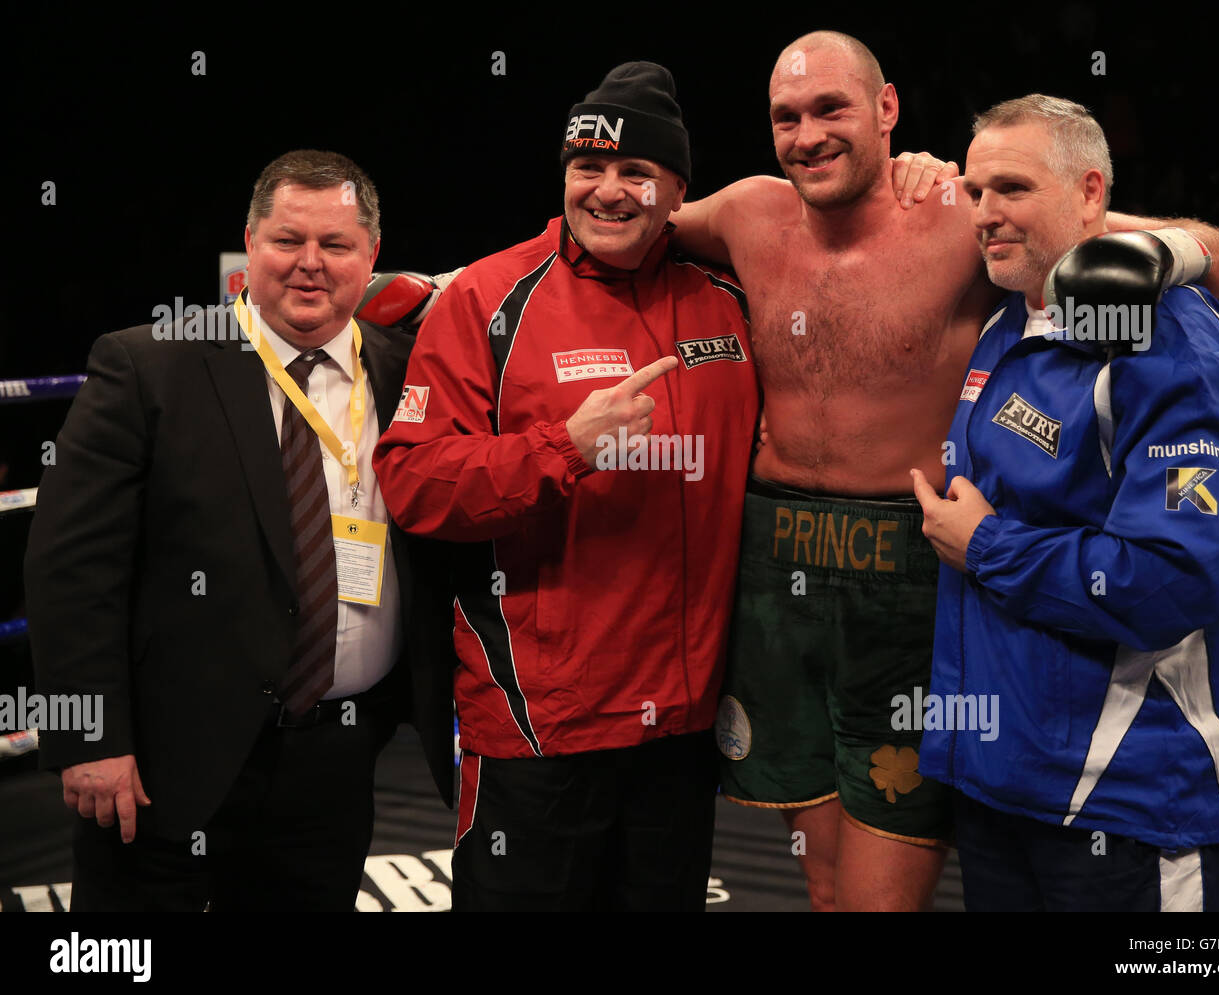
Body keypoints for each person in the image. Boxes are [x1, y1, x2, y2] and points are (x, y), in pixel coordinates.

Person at [669, 30, 1219, 910]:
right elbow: (626, 226)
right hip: (778, 564)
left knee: (881, 886)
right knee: (826, 884)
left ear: (887, 110)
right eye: (787, 115)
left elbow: (1216, 255)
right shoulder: (750, 210)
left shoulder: (961, 217)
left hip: (916, 563)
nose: (808, 132)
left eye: (832, 108)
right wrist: (449, 286)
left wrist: (1144, 256)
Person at [23, 150, 456, 910]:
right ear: (250, 245)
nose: (310, 265)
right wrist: (92, 741)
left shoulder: (408, 370)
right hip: (164, 763)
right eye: (288, 241)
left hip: (337, 758)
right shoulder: (149, 365)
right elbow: (71, 571)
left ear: (372, 256)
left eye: (336, 245)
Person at [373, 61, 759, 911]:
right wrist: (563, 448)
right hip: (537, 726)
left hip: (681, 731)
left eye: (636, 172)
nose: (609, 191)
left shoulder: (731, 302)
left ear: (677, 190)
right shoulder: (484, 299)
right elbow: (411, 483)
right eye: (589, 167)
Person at [911, 94, 1219, 910]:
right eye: (974, 192)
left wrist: (987, 547)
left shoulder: (1174, 343)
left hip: (1133, 797)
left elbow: (1172, 578)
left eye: (1014, 188)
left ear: (1091, 194)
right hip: (1002, 786)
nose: (986, 215)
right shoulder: (1015, 318)